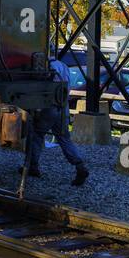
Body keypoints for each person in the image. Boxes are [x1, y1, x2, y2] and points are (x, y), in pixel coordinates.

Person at [27, 54, 90, 186]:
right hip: (63, 106)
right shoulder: (64, 66)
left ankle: (32, 167)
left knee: (37, 135)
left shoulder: (46, 67)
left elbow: (42, 88)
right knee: (64, 138)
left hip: (49, 107)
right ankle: (79, 166)